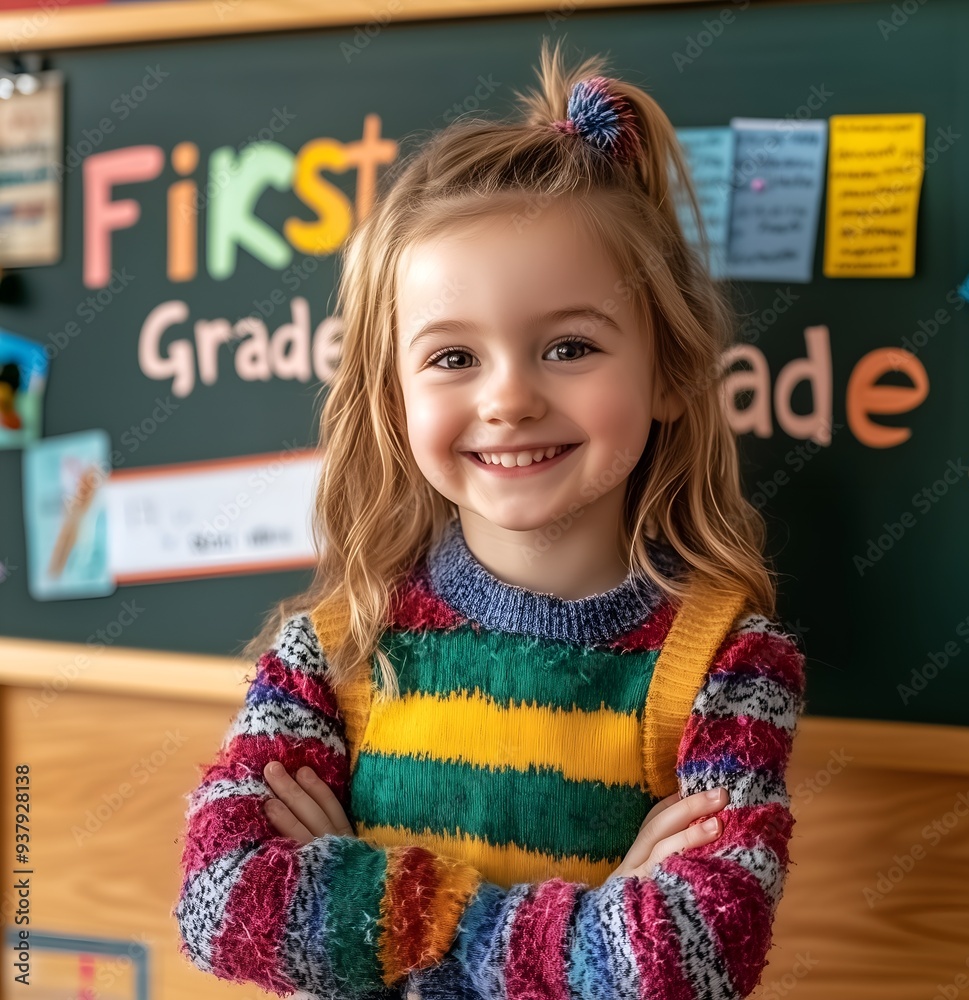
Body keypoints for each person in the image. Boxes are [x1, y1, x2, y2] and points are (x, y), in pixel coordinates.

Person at [172, 37, 807, 1000]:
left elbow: (686, 958)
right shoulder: (338, 649)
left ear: (672, 373)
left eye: (568, 345)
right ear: (394, 399)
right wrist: (585, 927)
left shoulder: (727, 666)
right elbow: (223, 903)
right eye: (454, 358)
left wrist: (366, 898)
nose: (508, 399)